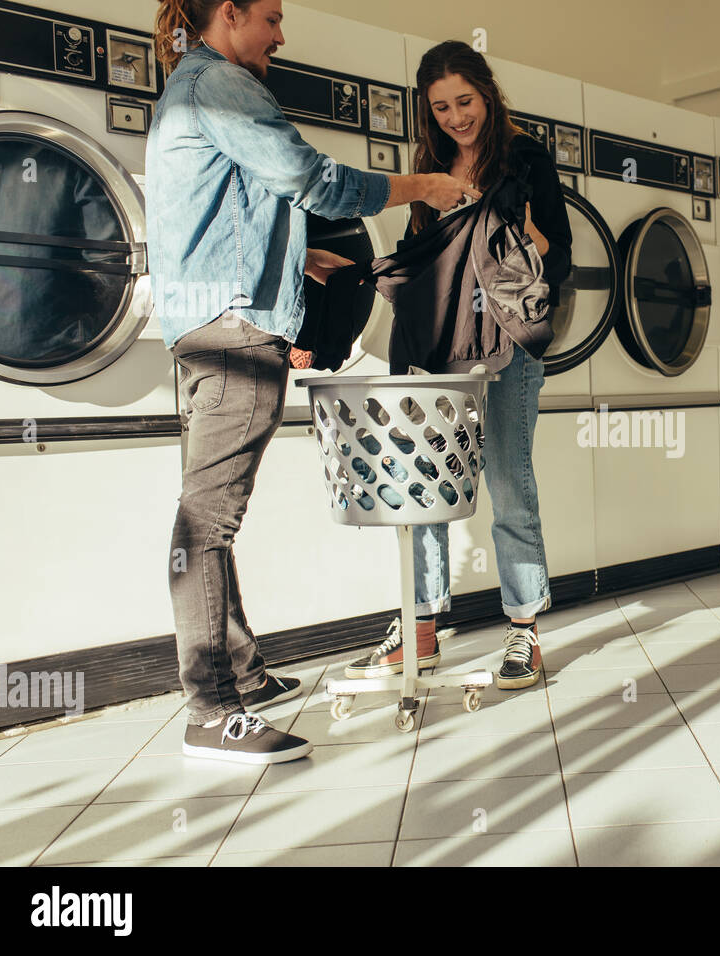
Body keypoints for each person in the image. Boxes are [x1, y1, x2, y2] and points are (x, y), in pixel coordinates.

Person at [149, 0, 477, 763]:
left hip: (211, 318)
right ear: (228, 13)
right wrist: (422, 185)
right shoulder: (223, 83)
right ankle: (211, 712)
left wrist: (297, 260)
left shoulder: (192, 91)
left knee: (211, 512)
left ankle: (241, 673)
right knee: (209, 520)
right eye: (269, 16)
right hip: (235, 327)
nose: (280, 34)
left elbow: (208, 216)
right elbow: (311, 179)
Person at [347, 41, 572, 691]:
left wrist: (512, 229)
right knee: (424, 478)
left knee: (507, 480)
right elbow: (425, 260)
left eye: (465, 102)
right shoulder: (432, 166)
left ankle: (524, 630)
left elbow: (555, 260)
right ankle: (421, 627)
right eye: (441, 107)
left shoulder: (524, 157)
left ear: (487, 93)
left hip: (507, 342)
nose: (455, 117)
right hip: (444, 345)